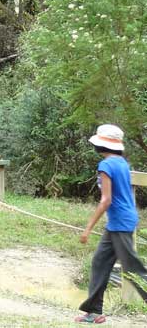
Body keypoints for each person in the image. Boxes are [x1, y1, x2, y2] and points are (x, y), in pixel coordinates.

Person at [75, 124, 147, 324]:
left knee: (133, 268)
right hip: (120, 221)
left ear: (102, 145)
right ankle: (94, 311)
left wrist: (87, 228)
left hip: (120, 222)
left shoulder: (106, 166)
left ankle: (94, 310)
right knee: (100, 262)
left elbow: (105, 200)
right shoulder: (121, 162)